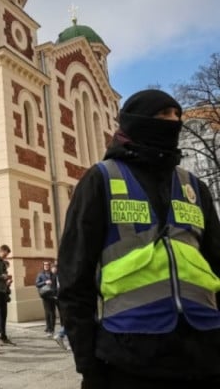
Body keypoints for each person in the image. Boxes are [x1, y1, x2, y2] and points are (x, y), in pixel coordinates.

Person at [58, 89, 220, 389]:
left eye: (176, 115)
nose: (173, 121)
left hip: (205, 352)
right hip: (129, 357)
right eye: (163, 115)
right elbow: (73, 279)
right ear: (136, 121)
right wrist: (88, 365)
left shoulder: (194, 186)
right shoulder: (101, 179)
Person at [35, 261, 57, 337]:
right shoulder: (40, 274)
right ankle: (48, 328)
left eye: (47, 265)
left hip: (53, 295)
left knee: (52, 313)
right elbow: (37, 284)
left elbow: (56, 284)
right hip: (45, 295)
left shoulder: (53, 274)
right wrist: (45, 282)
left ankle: (52, 329)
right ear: (43, 266)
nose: (46, 266)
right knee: (48, 313)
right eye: (45, 265)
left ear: (49, 266)